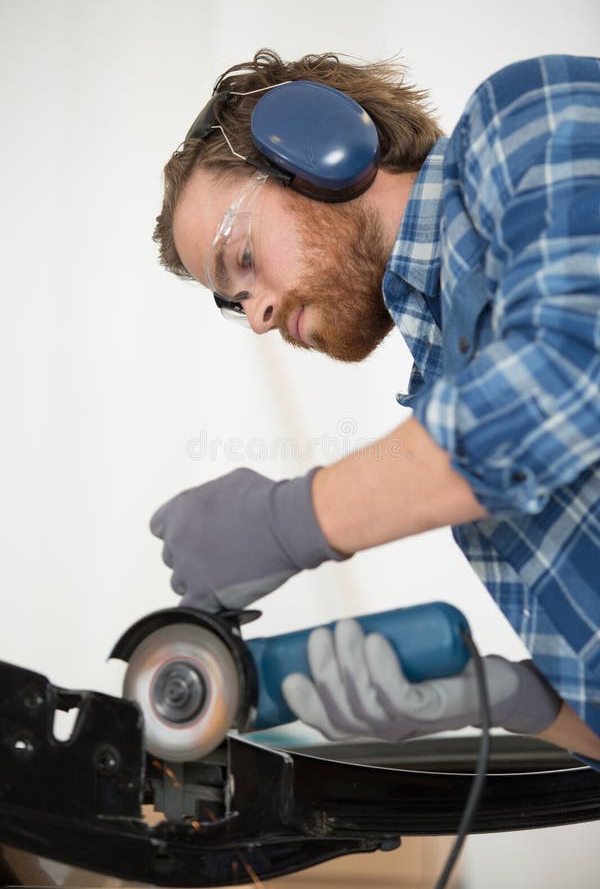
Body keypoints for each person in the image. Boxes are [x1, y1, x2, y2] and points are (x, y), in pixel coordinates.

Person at [150, 49, 600, 767]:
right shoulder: (444, 412)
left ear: (319, 146)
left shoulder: (524, 117)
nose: (258, 315)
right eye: (235, 302)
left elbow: (571, 368)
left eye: (243, 259)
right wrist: (515, 701)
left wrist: (292, 520)